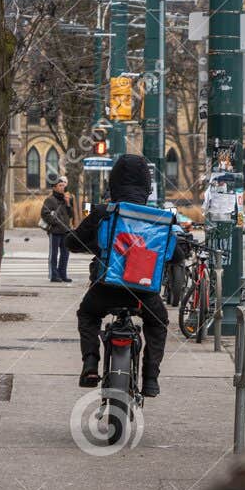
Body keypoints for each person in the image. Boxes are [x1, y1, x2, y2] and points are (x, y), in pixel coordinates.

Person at [67, 155, 182, 397]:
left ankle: (90, 363)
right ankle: (150, 379)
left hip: (105, 289)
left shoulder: (104, 212)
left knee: (87, 315)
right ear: (147, 187)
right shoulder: (158, 219)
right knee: (158, 323)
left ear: (113, 184)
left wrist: (97, 245)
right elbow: (176, 255)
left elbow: (73, 243)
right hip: (143, 294)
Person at [42, 175, 76, 283]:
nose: (62, 187)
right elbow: (44, 214)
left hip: (66, 231)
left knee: (65, 254)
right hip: (55, 231)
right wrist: (56, 223)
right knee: (54, 254)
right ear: (54, 187)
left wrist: (67, 204)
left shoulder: (67, 199)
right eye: (60, 185)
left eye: (63, 185)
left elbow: (71, 215)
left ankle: (63, 274)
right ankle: (54, 275)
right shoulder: (50, 200)